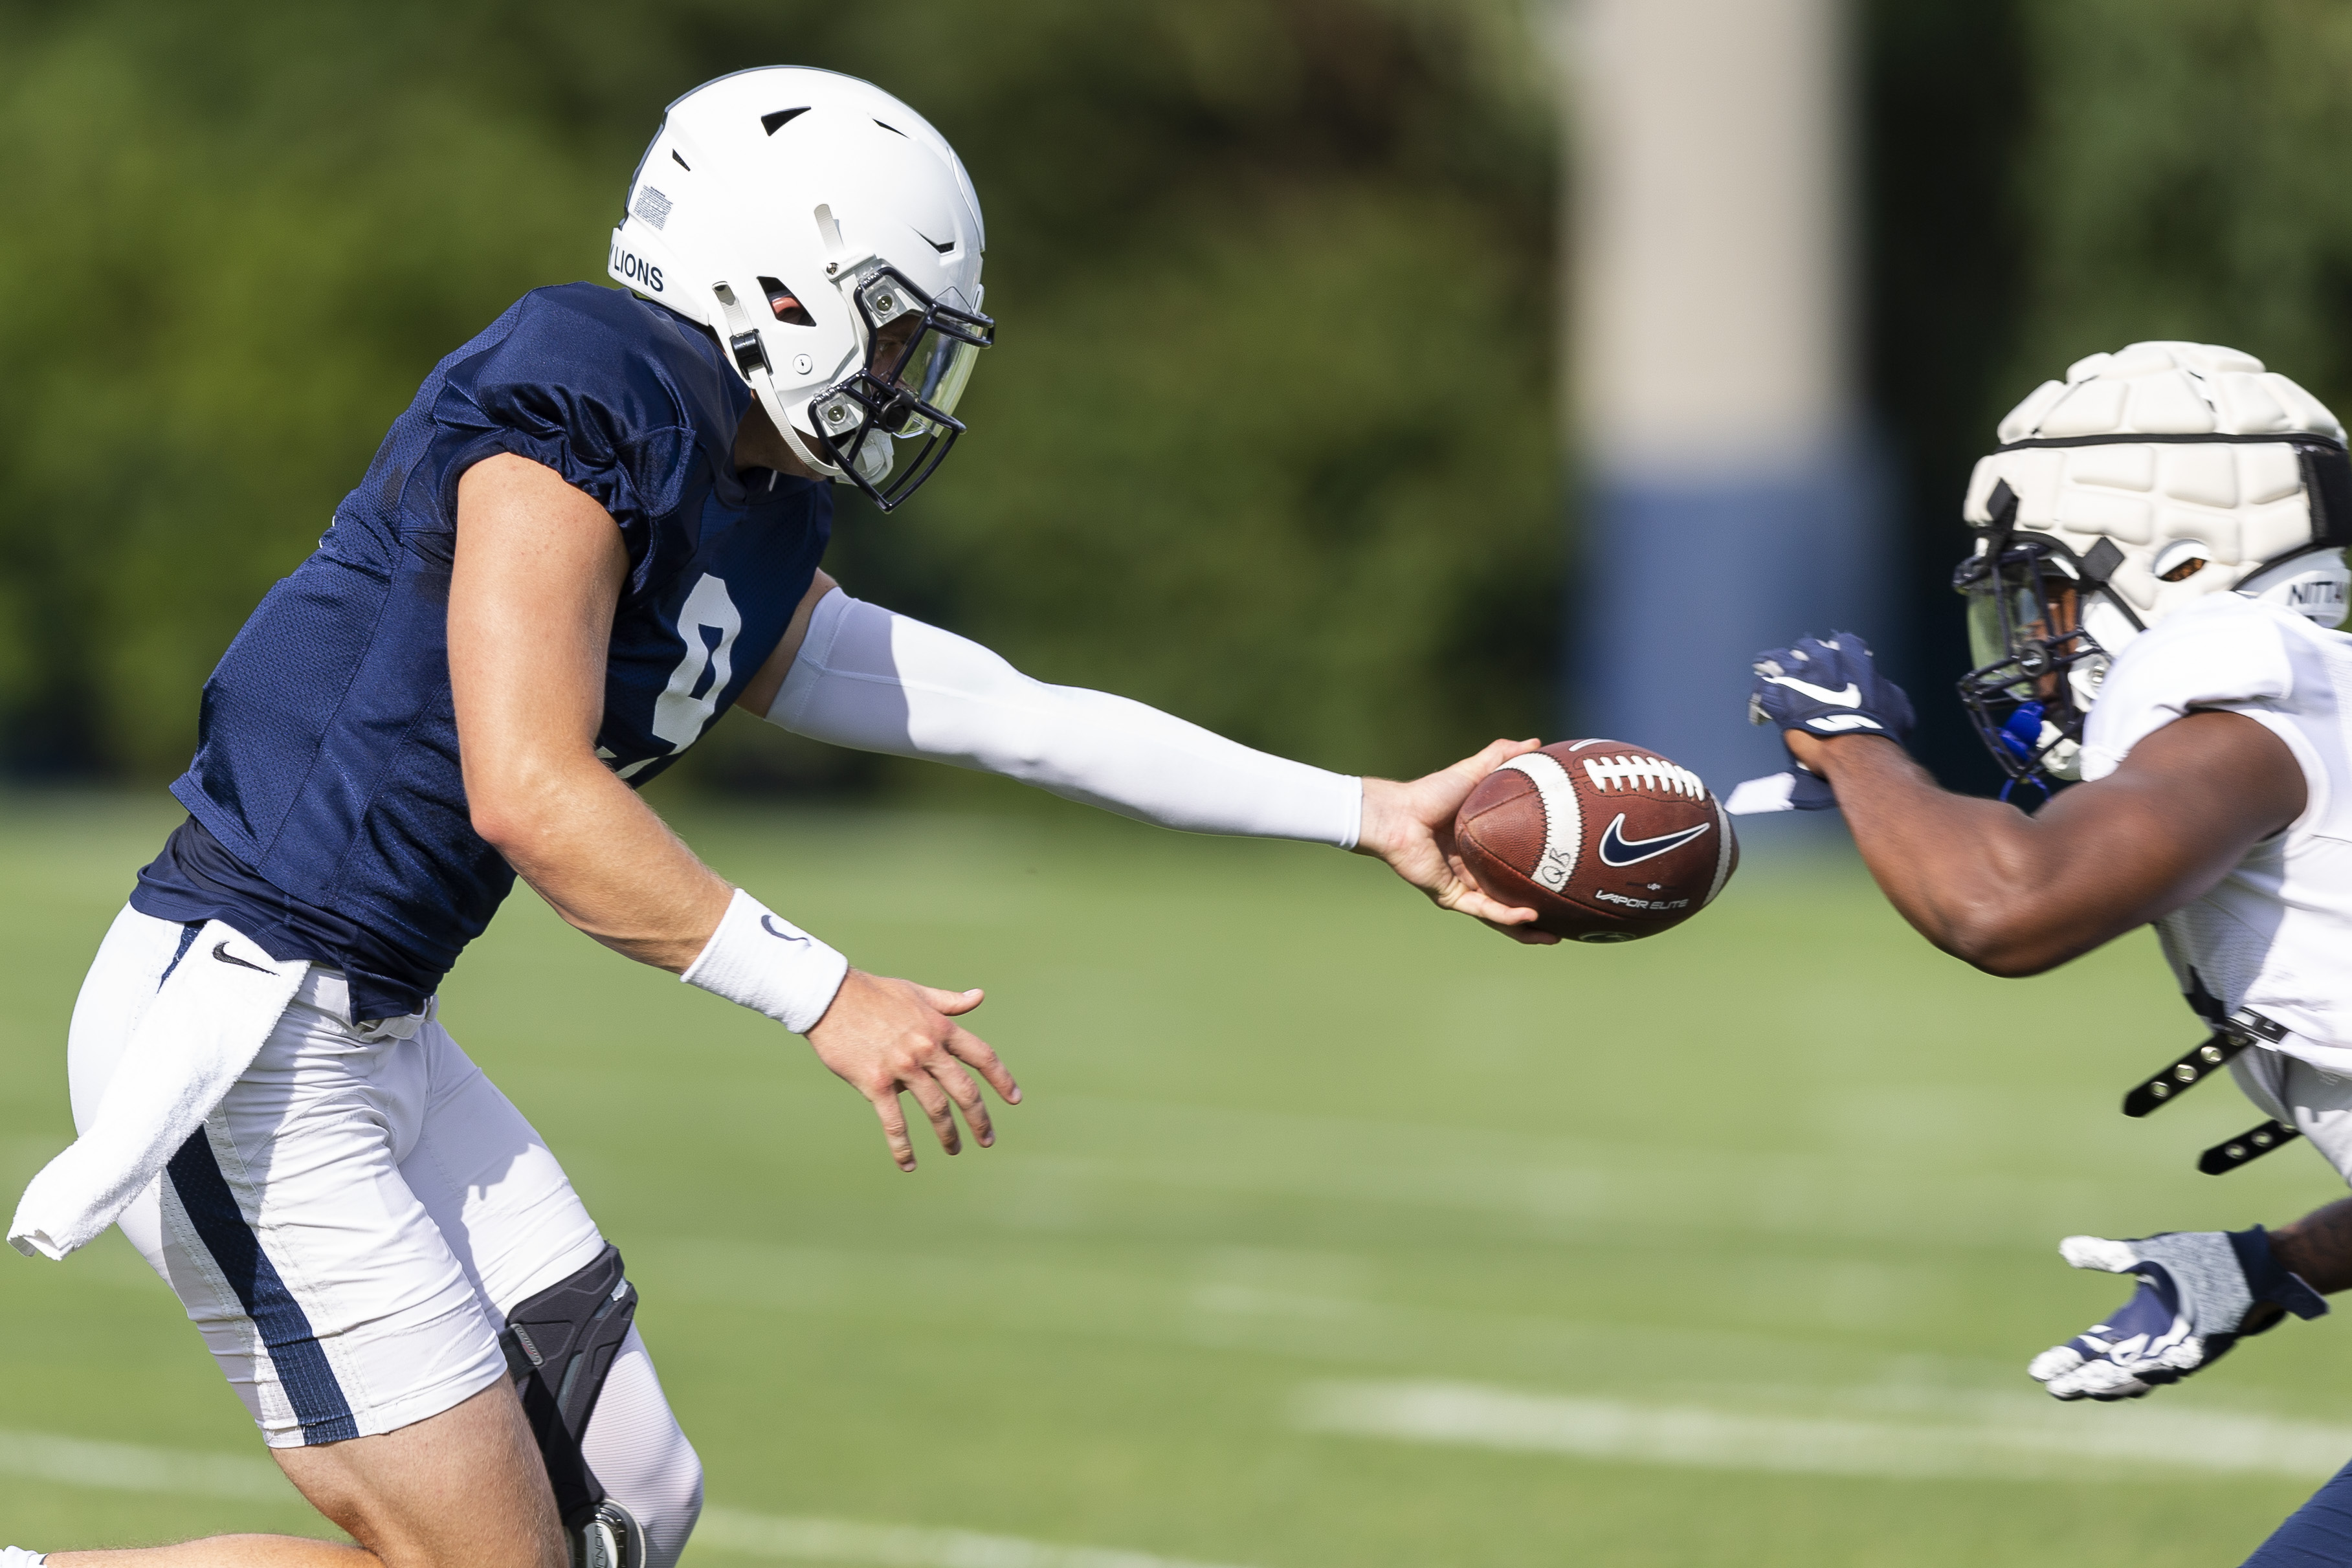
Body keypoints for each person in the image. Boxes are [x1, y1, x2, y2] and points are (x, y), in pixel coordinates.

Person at [2, 67, 1548, 1568]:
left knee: (636, 1506)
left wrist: (1362, 813)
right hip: (245, 1032)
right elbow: (529, 792)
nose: (903, 383)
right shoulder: (586, 392)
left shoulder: (741, 497)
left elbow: (1018, 717)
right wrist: (822, 993)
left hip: (373, 1029)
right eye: (890, 333)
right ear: (780, 287)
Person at [1733, 340, 2352, 1565]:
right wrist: (2277, 1262)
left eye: (2045, 592)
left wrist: (1856, 750)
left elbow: (2002, 908)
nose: (2033, 635)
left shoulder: (2245, 713)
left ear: (2182, 562)